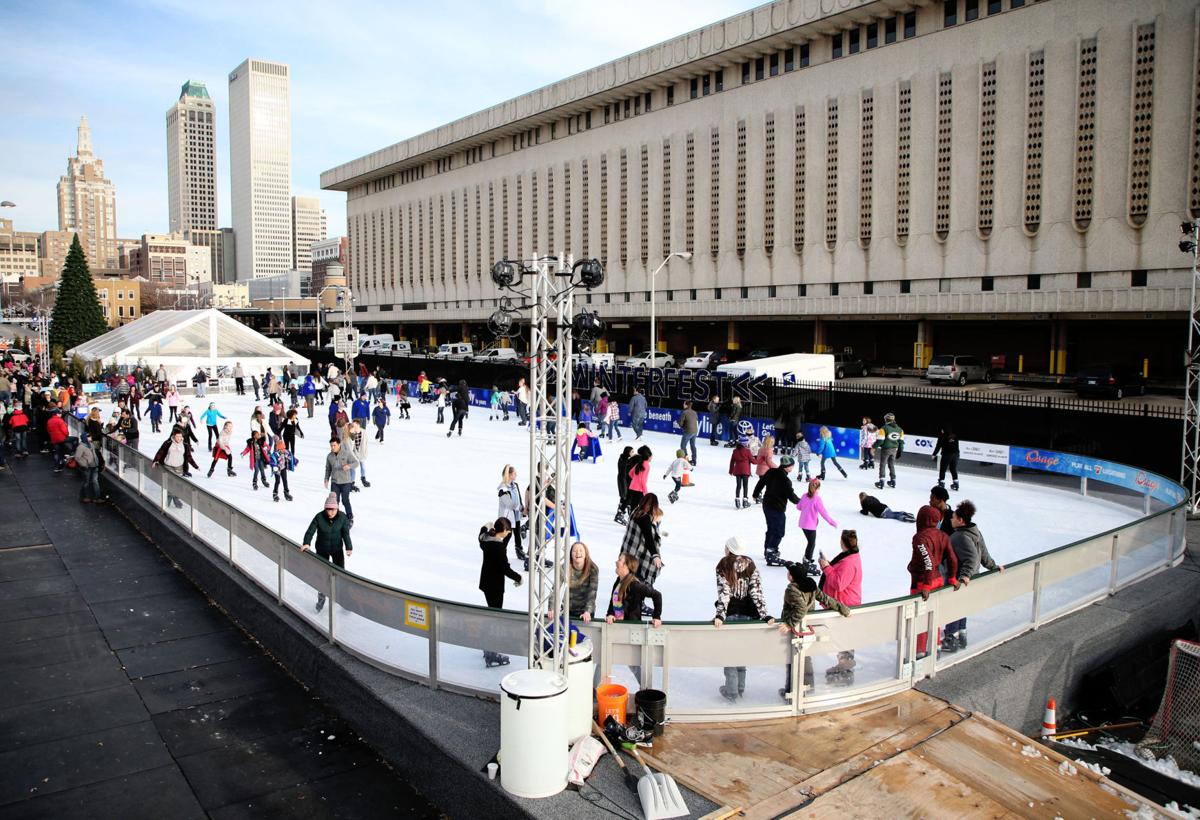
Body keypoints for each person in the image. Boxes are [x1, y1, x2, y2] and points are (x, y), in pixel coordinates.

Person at [713, 536, 775, 701]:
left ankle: (732, 692)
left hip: (731, 614)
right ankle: (740, 689)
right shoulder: (751, 564)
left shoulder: (723, 565)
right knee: (742, 651)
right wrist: (764, 614)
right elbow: (756, 591)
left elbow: (724, 593)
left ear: (729, 549)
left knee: (730, 653)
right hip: (748, 614)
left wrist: (720, 614)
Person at [778, 564, 851, 700]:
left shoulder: (792, 589)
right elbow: (826, 599)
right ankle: (808, 687)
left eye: (789, 573)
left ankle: (791, 692)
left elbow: (801, 608)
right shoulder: (811, 586)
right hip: (808, 628)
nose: (787, 575)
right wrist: (843, 609)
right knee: (806, 658)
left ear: (792, 577)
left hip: (796, 630)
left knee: (792, 661)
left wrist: (789, 624)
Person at [942, 501, 1003, 653]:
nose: (951, 519)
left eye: (954, 517)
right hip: (972, 578)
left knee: (953, 607)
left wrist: (964, 576)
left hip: (959, 578)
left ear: (961, 520)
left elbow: (973, 558)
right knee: (962, 607)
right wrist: (993, 566)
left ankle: (951, 638)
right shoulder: (975, 531)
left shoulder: (959, 536)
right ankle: (961, 635)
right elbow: (983, 553)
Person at [909, 505, 960, 657]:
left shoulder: (920, 538)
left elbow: (928, 562)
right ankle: (936, 646)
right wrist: (951, 578)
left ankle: (920, 652)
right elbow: (952, 559)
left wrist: (926, 585)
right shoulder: (943, 535)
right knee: (934, 615)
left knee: (921, 618)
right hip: (938, 579)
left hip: (923, 582)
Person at [819, 530, 863, 684]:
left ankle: (845, 669)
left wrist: (826, 568)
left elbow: (839, 584)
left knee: (845, 638)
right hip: (845, 602)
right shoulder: (848, 557)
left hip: (845, 604)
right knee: (843, 638)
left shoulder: (849, 561)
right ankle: (843, 666)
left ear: (842, 542)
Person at [477, 518, 522, 667]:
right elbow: (505, 569)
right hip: (495, 586)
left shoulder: (486, 541)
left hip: (486, 583)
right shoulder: (498, 548)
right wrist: (519, 578)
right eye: (508, 531)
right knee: (495, 617)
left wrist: (499, 528)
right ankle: (492, 652)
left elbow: (483, 531)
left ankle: (487, 647)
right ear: (503, 531)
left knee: (492, 614)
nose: (509, 534)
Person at [302, 493, 354, 613]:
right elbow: (310, 531)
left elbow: (346, 533)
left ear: (337, 508)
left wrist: (349, 547)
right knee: (322, 575)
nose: (330, 512)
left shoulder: (342, 517)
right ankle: (321, 599)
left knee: (340, 574)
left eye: (333, 510)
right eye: (328, 510)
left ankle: (345, 601)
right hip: (322, 549)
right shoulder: (319, 517)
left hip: (337, 550)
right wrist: (306, 543)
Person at [760, 455, 801, 567]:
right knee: (779, 531)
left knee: (771, 528)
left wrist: (755, 493)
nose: (792, 467)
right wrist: (802, 502)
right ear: (787, 467)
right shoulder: (785, 480)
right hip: (777, 508)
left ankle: (767, 550)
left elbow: (761, 482)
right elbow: (791, 496)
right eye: (792, 465)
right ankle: (771, 551)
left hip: (767, 505)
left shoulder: (771, 471)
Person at [620, 493, 664, 587]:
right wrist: (655, 555)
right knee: (636, 579)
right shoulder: (644, 518)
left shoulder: (636, 511)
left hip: (627, 550)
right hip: (635, 554)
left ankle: (618, 599)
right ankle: (632, 599)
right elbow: (649, 538)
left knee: (625, 577)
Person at [796, 478, 838, 573]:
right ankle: (807, 562)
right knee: (811, 543)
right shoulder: (817, 499)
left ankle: (807, 560)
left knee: (810, 542)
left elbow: (798, 507)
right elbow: (824, 513)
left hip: (803, 524)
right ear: (818, 488)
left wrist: (806, 506)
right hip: (810, 525)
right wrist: (832, 522)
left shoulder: (804, 496)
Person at [152, 428, 198, 508]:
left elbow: (188, 456)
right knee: (170, 483)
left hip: (179, 467)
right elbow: (161, 451)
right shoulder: (168, 443)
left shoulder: (185, 445)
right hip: (168, 466)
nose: (179, 438)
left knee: (177, 484)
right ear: (174, 436)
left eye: (180, 436)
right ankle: (171, 500)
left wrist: (195, 466)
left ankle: (173, 498)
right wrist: (156, 460)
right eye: (177, 436)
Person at [497, 464, 528, 566]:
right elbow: (509, 504)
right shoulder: (503, 489)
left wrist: (522, 508)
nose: (516, 475)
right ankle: (500, 553)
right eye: (514, 473)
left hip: (516, 514)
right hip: (507, 517)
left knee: (517, 533)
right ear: (509, 475)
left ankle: (519, 551)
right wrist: (519, 508)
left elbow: (518, 498)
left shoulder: (515, 485)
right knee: (508, 535)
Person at [323, 437, 359, 523]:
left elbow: (356, 463)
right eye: (331, 446)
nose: (332, 447)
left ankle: (350, 517)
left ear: (339, 445)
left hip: (346, 482)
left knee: (345, 500)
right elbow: (328, 468)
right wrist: (326, 479)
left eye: (334, 445)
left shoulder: (346, 453)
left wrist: (349, 466)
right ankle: (335, 518)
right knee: (334, 501)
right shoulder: (329, 456)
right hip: (335, 482)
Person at [569, 542, 598, 624]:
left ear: (586, 554)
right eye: (574, 551)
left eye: (581, 550)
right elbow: (555, 589)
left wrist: (587, 611)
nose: (578, 553)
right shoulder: (565, 567)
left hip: (585, 611)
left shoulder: (593, 569)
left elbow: (592, 592)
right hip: (568, 610)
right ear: (571, 554)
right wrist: (552, 608)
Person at [873, 412, 904, 490]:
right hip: (894, 450)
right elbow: (901, 442)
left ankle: (881, 481)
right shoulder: (900, 430)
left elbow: (880, 441)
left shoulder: (884, 428)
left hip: (886, 449)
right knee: (891, 465)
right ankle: (893, 481)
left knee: (883, 465)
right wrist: (900, 451)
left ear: (886, 419)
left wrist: (874, 447)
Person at [74, 431, 102, 503]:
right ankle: (84, 497)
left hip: (94, 466)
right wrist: (85, 464)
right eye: (89, 436)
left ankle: (97, 497)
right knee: (86, 482)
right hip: (88, 467)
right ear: (85, 438)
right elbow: (77, 457)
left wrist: (97, 463)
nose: (90, 437)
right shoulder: (81, 447)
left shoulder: (91, 444)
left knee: (95, 481)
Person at [342, 421, 371, 488]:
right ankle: (351, 482)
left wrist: (365, 452)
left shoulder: (363, 432)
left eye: (354, 425)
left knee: (363, 467)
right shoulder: (351, 434)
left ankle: (363, 479)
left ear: (358, 425)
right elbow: (350, 446)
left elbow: (366, 443)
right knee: (353, 468)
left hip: (362, 453)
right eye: (353, 426)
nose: (354, 427)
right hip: (354, 454)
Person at [624, 445, 652, 514]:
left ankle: (631, 520)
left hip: (632, 487)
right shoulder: (646, 465)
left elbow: (630, 473)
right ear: (648, 457)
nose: (652, 458)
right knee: (642, 506)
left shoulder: (639, 463)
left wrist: (635, 480)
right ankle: (637, 520)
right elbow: (642, 480)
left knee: (634, 506)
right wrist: (646, 492)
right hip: (639, 490)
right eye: (651, 456)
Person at [728, 434, 753, 509]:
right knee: (745, 486)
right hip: (745, 471)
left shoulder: (735, 451)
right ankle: (745, 501)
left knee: (738, 485)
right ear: (745, 443)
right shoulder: (747, 451)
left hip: (738, 471)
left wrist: (731, 470)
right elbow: (753, 461)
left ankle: (737, 500)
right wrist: (760, 460)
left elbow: (732, 461)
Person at [933, 426, 961, 491]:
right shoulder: (955, 436)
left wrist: (934, 454)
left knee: (943, 468)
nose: (941, 431)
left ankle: (941, 482)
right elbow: (956, 446)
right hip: (956, 454)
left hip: (947, 454)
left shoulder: (942, 437)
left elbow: (938, 446)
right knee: (953, 468)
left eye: (942, 430)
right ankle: (956, 483)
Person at [613, 445, 635, 525]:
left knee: (626, 496)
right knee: (625, 495)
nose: (634, 453)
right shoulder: (623, 460)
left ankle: (622, 509)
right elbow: (623, 471)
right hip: (623, 480)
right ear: (628, 452)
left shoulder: (627, 459)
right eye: (632, 452)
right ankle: (621, 512)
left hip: (626, 479)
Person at [677, 400, 699, 465]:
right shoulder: (695, 412)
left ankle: (686, 460)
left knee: (683, 445)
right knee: (693, 445)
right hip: (695, 431)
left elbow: (680, 424)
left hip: (688, 431)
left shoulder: (684, 413)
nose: (683, 405)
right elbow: (696, 420)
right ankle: (694, 461)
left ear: (686, 405)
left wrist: (679, 423)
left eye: (684, 404)